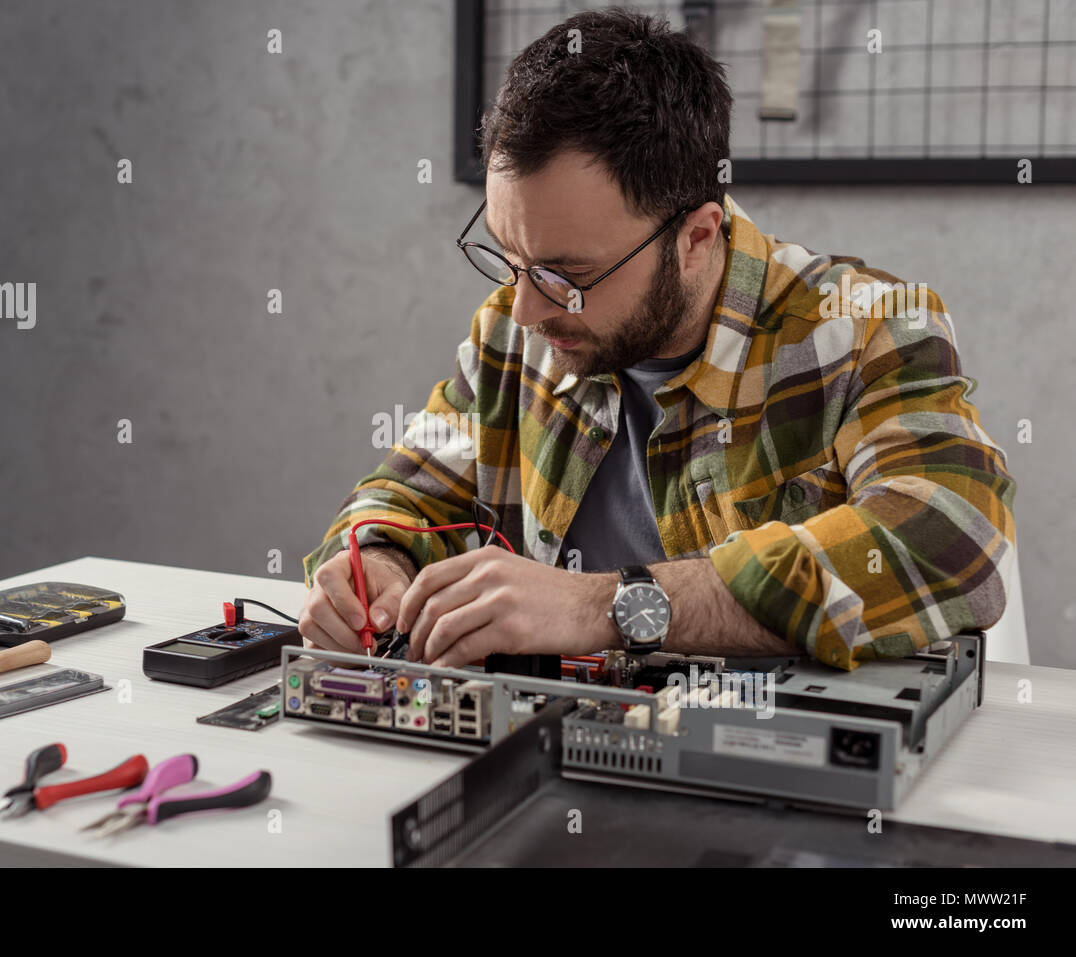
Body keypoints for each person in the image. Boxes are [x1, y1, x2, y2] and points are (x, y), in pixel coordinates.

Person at [299, 9, 1015, 672]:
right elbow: (397, 497)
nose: (524, 308)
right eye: (509, 259)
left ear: (697, 238)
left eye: (565, 274)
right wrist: (372, 568)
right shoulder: (512, 336)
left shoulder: (867, 330)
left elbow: (950, 541)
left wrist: (601, 606)